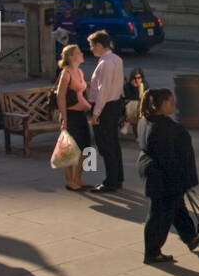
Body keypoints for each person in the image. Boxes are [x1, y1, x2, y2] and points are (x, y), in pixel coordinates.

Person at [137, 88, 199, 265]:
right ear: (162, 104)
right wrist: (187, 181)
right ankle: (152, 252)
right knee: (160, 214)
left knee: (176, 206)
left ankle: (190, 236)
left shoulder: (145, 120)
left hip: (152, 171)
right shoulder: (168, 129)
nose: (174, 104)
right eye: (171, 102)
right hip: (162, 176)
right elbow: (175, 159)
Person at [87, 31, 125, 191]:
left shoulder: (105, 63)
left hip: (105, 107)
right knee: (113, 144)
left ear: (99, 45)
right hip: (114, 104)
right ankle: (117, 177)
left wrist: (95, 114)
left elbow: (103, 91)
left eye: (91, 45)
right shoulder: (116, 59)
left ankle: (111, 181)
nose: (90, 49)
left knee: (105, 145)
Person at [55, 43, 92, 191]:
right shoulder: (66, 73)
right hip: (70, 114)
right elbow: (60, 96)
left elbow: (82, 94)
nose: (82, 53)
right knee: (68, 149)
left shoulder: (80, 72)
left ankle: (78, 178)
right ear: (71, 56)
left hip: (80, 114)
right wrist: (64, 118)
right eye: (78, 52)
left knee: (85, 147)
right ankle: (69, 181)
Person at [122, 67, 148, 137]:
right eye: (135, 78)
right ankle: (128, 124)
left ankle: (127, 124)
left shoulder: (144, 85)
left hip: (141, 107)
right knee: (133, 103)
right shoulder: (128, 86)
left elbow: (144, 98)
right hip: (129, 106)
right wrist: (134, 87)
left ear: (142, 78)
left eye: (139, 78)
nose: (137, 80)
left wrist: (139, 88)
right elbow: (129, 97)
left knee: (138, 104)